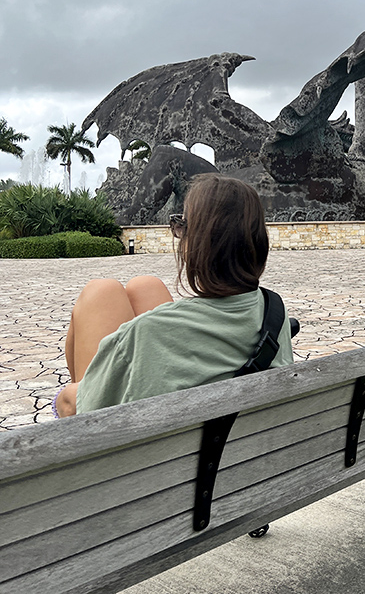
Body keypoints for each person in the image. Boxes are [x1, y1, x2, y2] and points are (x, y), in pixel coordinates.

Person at [54, 174, 293, 416]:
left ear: (198, 243)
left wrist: (64, 396)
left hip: (162, 450)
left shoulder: (146, 332)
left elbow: (70, 406)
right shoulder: (275, 314)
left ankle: (95, 384)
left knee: (100, 291)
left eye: (181, 225)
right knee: (145, 285)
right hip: (244, 443)